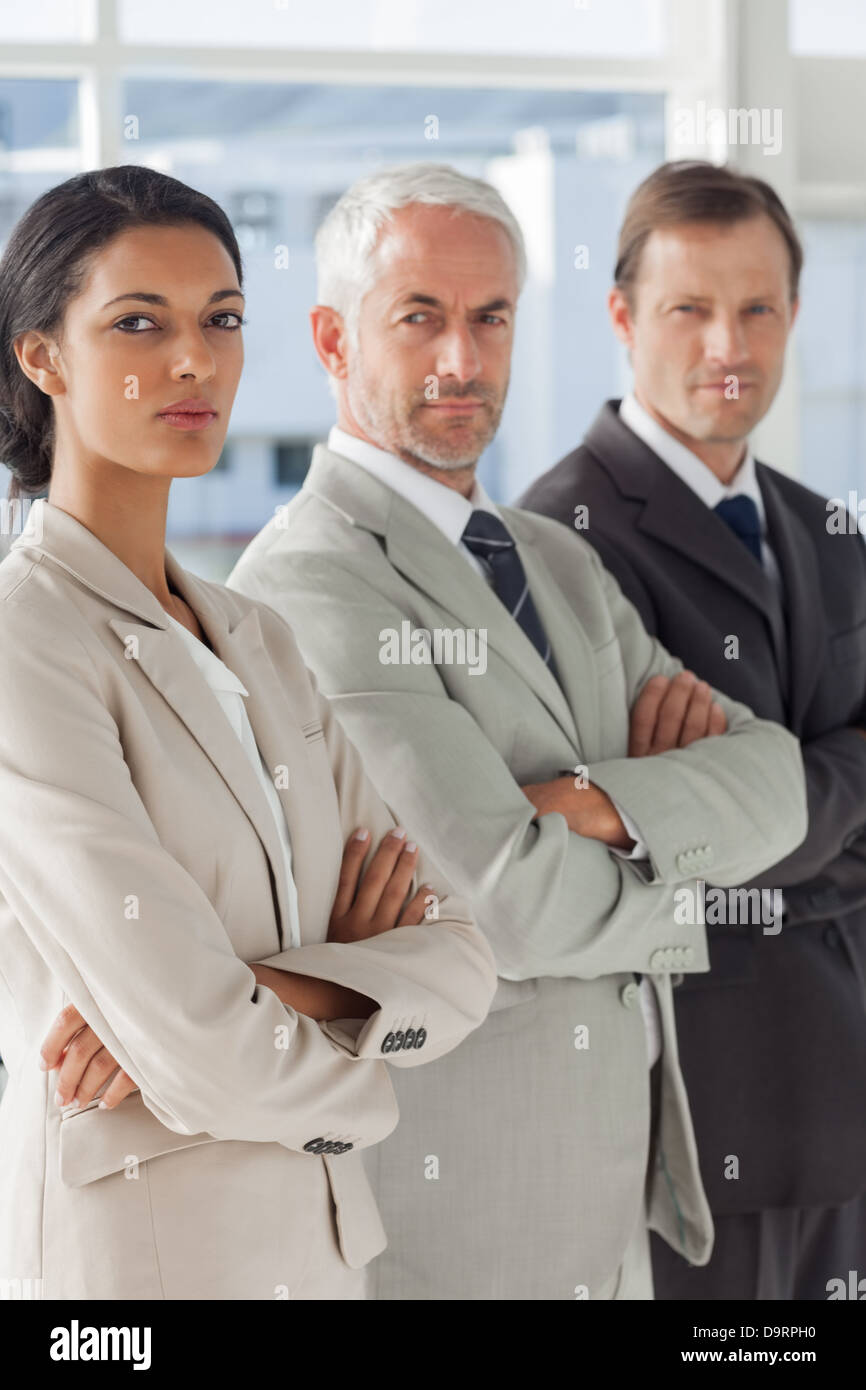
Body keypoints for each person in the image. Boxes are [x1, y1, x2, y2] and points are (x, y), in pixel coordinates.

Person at [226, 161, 809, 1300]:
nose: (462, 359)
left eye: (489, 317)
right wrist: (673, 839)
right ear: (334, 341)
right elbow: (500, 900)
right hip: (455, 1212)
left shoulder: (557, 560)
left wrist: (591, 806)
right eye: (419, 318)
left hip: (606, 1202)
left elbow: (776, 778)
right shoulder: (306, 586)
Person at [0, 164, 497, 1301]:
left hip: (317, 1257)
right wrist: (356, 1004)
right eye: (140, 323)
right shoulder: (23, 640)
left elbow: (462, 957)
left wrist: (278, 988)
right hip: (137, 1270)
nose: (194, 361)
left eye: (220, 321)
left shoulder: (254, 637)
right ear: (42, 356)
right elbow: (199, 1045)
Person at [518, 159, 866, 1300]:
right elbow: (596, 834)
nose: (729, 342)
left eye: (755, 307)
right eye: (689, 308)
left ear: (793, 316)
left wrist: (731, 796)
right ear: (621, 318)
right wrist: (757, 807)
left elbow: (722, 821)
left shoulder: (828, 530)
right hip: (689, 1101)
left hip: (841, 1094)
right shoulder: (554, 541)